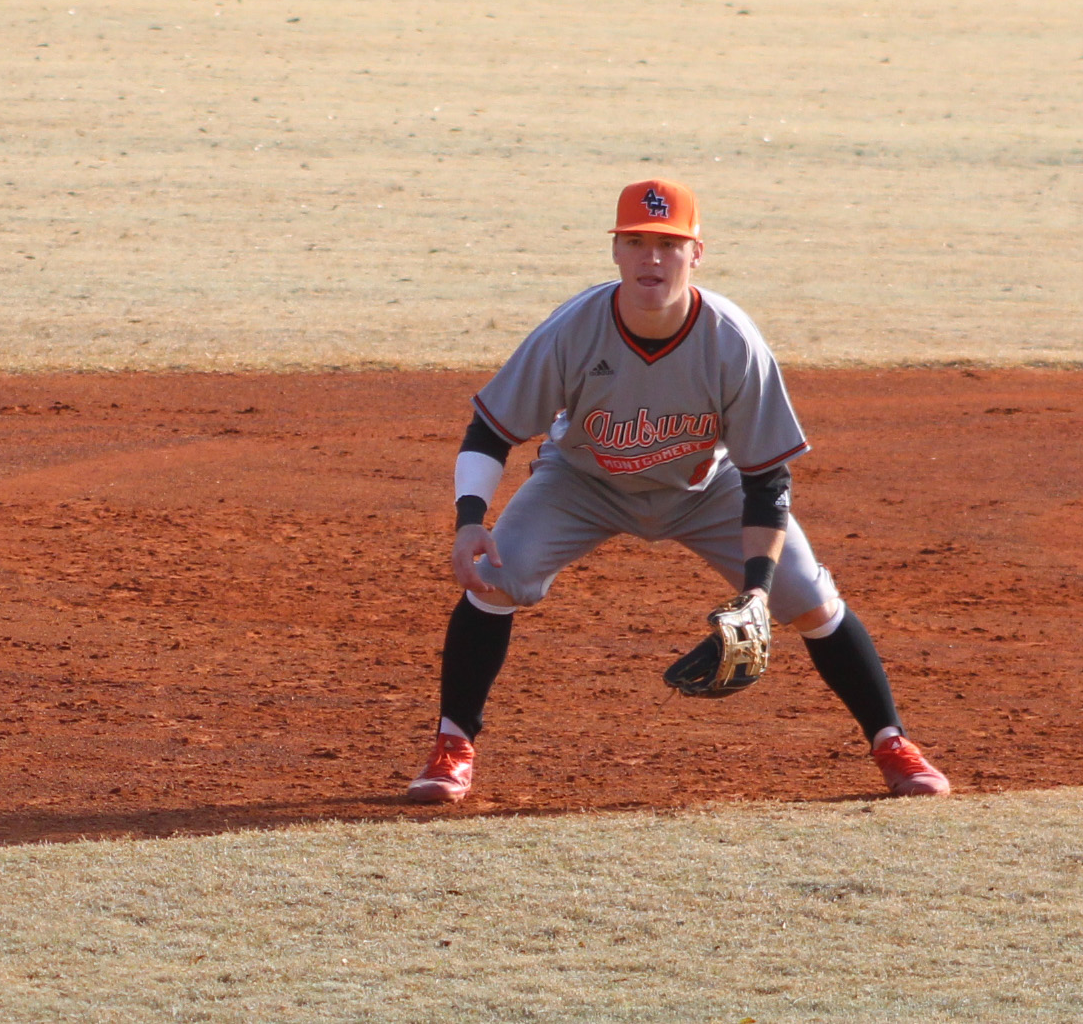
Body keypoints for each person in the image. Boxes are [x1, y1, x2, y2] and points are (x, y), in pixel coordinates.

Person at [406, 178, 950, 804]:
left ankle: (892, 744)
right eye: (637, 242)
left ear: (697, 253)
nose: (652, 258)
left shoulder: (731, 340)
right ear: (615, 251)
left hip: (705, 488)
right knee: (495, 577)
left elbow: (766, 477)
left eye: (668, 244)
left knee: (808, 598)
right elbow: (492, 428)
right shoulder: (573, 329)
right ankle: (453, 747)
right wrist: (470, 519)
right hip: (583, 482)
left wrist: (757, 590)